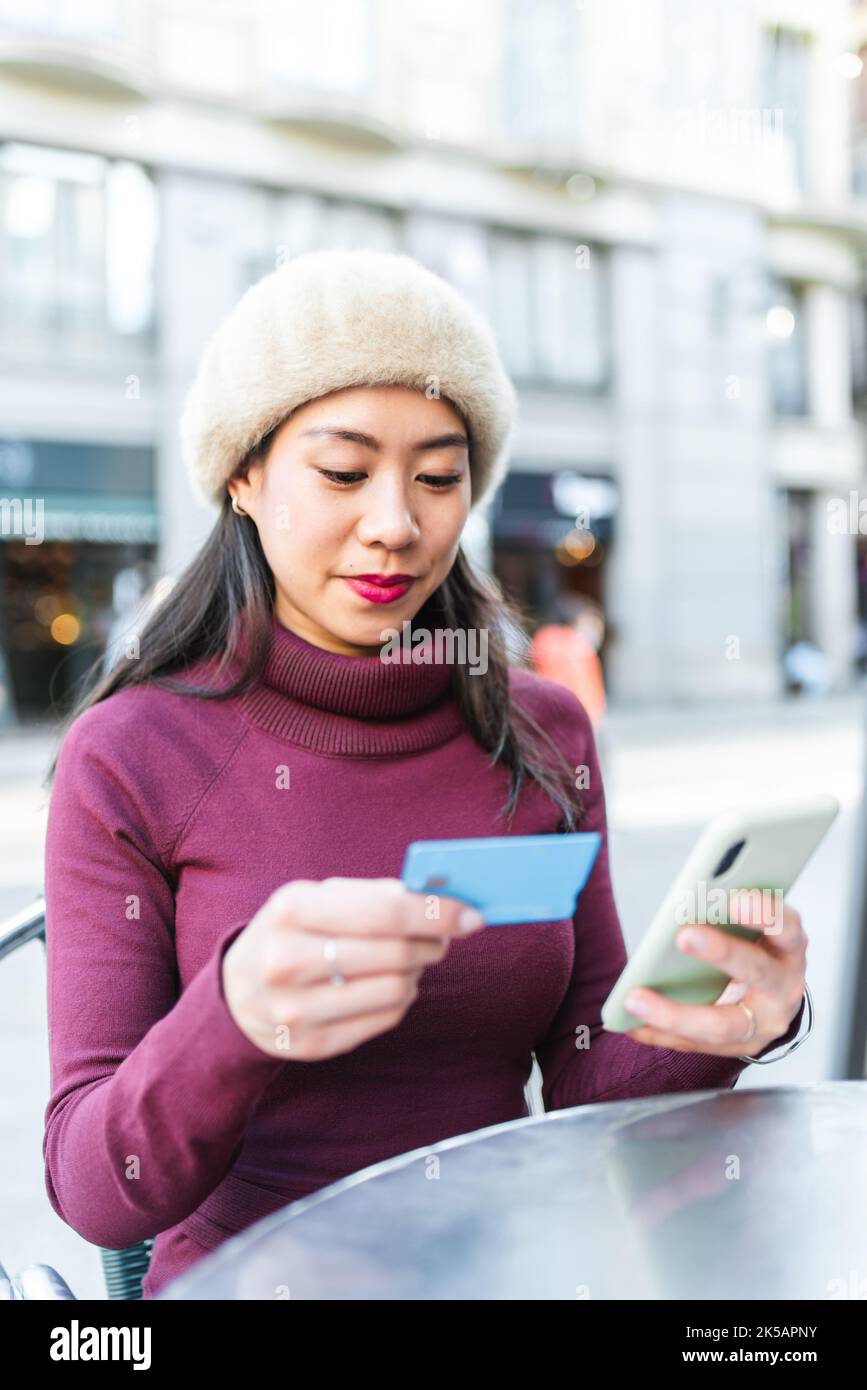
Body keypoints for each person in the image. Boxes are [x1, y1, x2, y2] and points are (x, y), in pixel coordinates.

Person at [41, 249, 808, 1299]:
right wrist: (234, 1016)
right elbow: (96, 1185)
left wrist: (721, 1021)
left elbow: (589, 1074)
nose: (398, 523)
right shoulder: (132, 755)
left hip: (520, 1269)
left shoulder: (542, 729)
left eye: (440, 477)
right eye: (345, 471)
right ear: (245, 476)